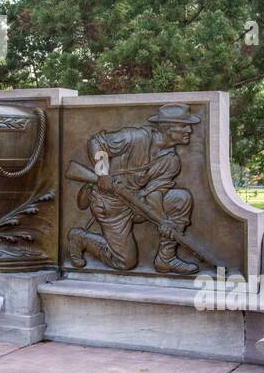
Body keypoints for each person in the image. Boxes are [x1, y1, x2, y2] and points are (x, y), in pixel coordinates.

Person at [66, 103, 201, 275]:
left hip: (139, 201)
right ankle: (80, 238)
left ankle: (165, 258)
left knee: (180, 199)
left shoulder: (171, 161)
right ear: (168, 128)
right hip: (110, 204)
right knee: (125, 262)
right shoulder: (135, 137)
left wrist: (164, 221)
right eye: (184, 125)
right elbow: (97, 142)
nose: (189, 130)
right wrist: (102, 173)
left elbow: (155, 192)